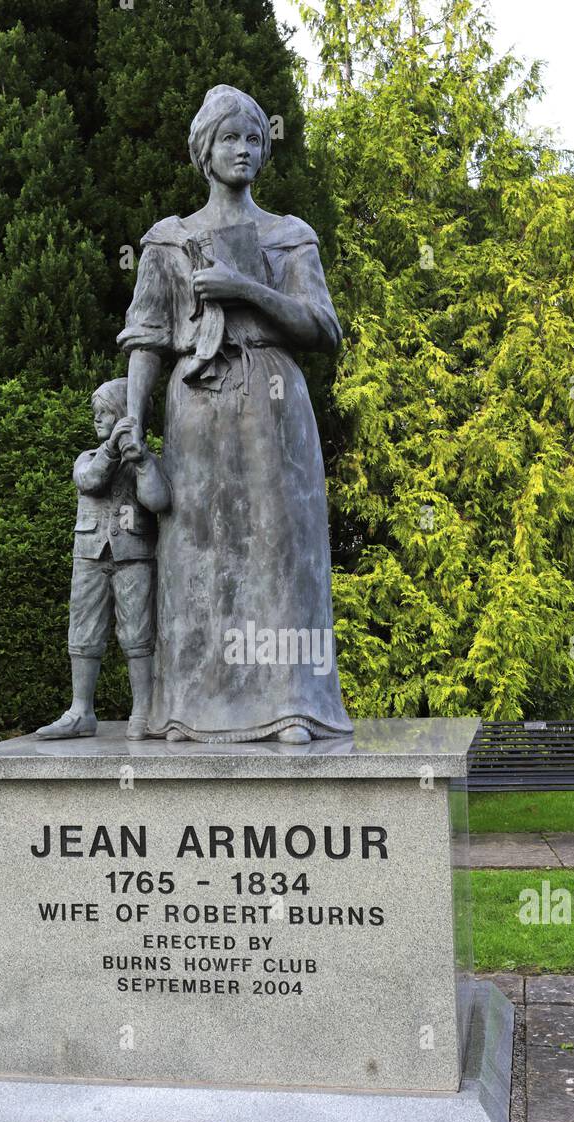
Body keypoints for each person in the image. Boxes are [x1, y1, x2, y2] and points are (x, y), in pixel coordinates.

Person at [117, 84, 353, 745]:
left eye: (254, 138)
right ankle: (191, 707)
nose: (244, 150)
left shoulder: (289, 235)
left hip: (274, 408)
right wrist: (133, 419)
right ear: (204, 150)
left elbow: (324, 329)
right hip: (197, 405)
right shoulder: (168, 240)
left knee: (279, 552)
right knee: (194, 554)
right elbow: (145, 336)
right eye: (230, 138)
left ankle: (291, 706)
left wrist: (246, 289)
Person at [35, 378, 166, 742]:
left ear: (127, 417)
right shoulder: (89, 458)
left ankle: (143, 711)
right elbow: (90, 482)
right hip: (90, 556)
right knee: (83, 631)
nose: (97, 420)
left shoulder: (150, 461)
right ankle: (81, 710)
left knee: (138, 634)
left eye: (106, 414)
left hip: (135, 557)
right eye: (96, 414)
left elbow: (158, 501)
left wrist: (140, 461)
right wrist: (111, 448)